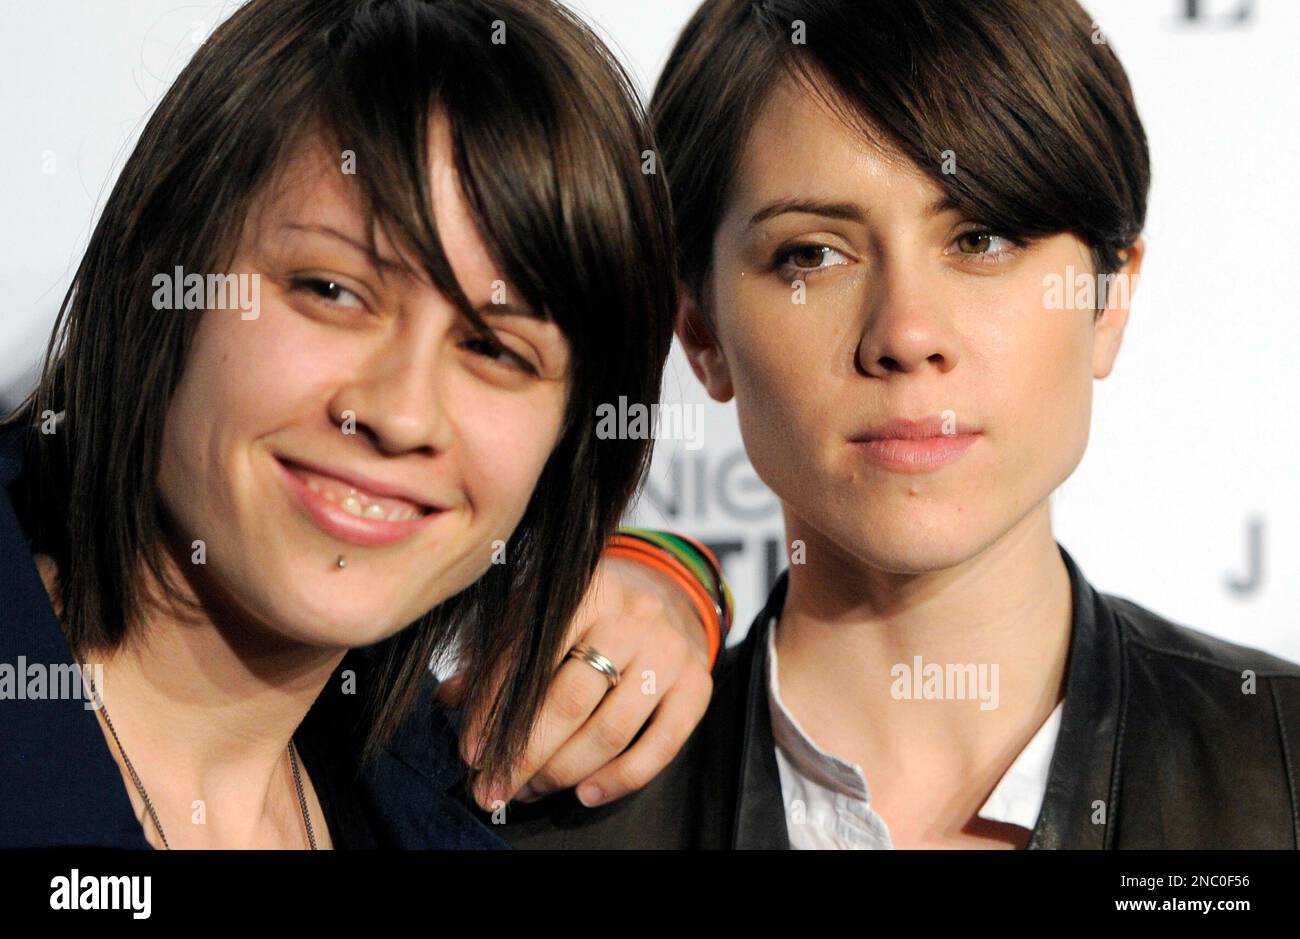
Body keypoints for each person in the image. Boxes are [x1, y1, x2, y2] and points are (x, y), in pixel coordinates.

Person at [499, 0, 1300, 849]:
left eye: (983, 238)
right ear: (700, 331)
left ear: (1109, 299)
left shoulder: (1279, 767)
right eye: (812, 253)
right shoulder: (527, 818)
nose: (907, 334)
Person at [0, 0, 723, 849]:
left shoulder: (448, 803)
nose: (399, 413)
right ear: (161, 281)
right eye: (332, 291)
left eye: (494, 349)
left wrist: (681, 571)